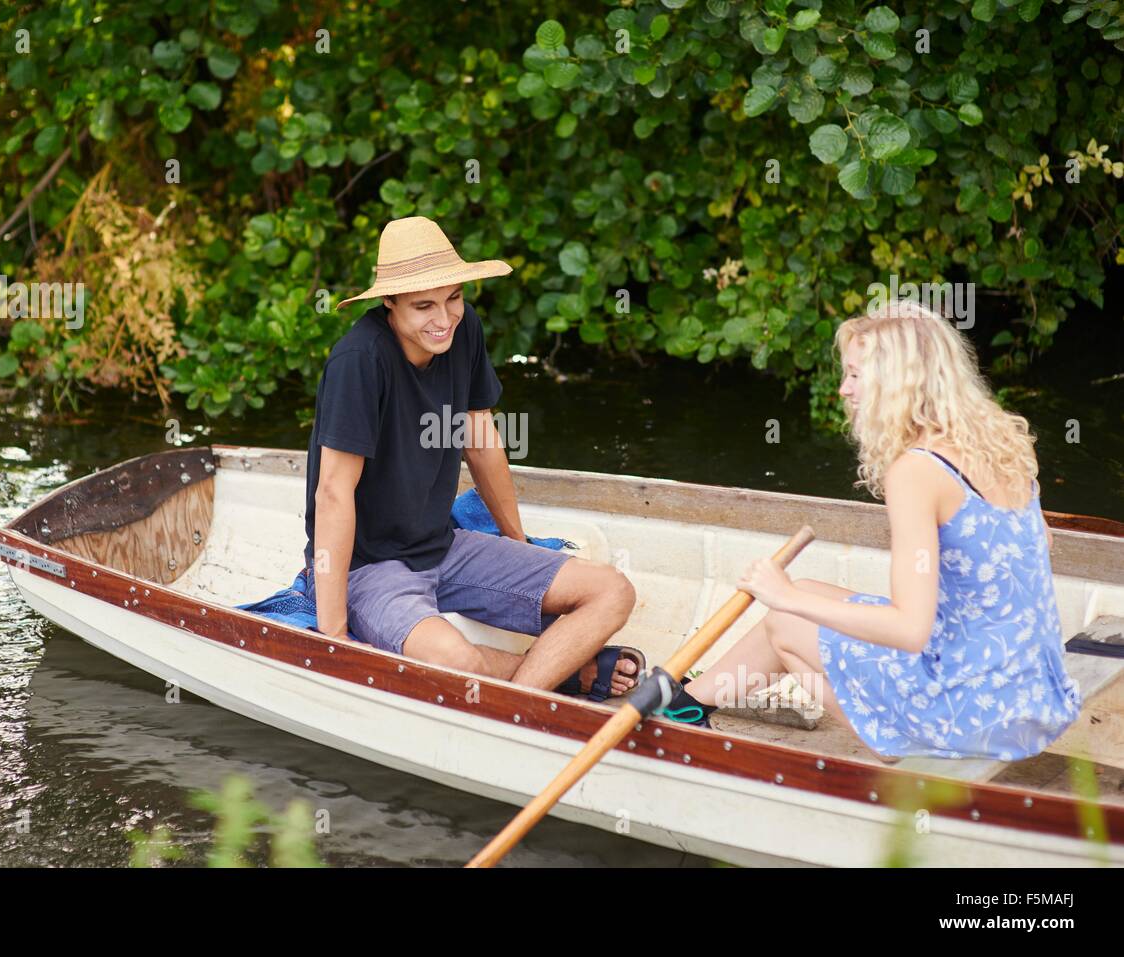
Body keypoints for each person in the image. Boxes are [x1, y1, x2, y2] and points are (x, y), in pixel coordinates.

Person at [668, 299, 1082, 761]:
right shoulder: (1003, 438)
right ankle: (691, 701)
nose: (844, 390)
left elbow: (909, 630)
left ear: (896, 383)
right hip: (1036, 698)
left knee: (786, 619)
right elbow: (1040, 541)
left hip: (976, 712)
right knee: (809, 592)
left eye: (855, 375)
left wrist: (784, 596)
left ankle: (888, 741)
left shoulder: (917, 470)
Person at [304, 216, 642, 700]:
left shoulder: (464, 332)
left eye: (454, 298)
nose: (444, 318)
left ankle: (518, 699)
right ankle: (560, 678)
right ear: (389, 303)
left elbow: (480, 442)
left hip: (443, 545)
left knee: (613, 591)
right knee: (453, 659)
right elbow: (334, 493)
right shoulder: (359, 362)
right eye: (424, 305)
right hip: (369, 566)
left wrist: (520, 545)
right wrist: (334, 635)